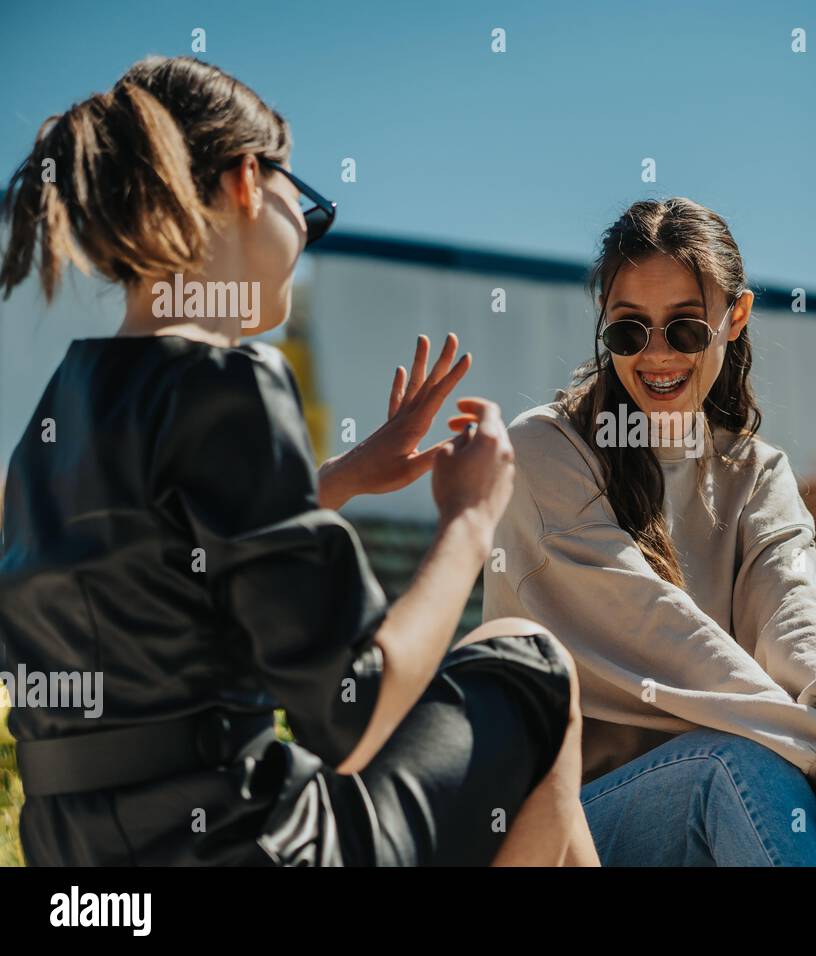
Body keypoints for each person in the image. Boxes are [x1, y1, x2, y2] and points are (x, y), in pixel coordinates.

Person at [0, 56, 598, 866]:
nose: (307, 231)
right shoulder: (227, 378)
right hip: (258, 849)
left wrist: (341, 480)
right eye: (305, 204)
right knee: (533, 662)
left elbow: (164, 580)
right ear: (248, 180)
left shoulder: (52, 420)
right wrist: (469, 516)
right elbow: (355, 711)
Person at [482, 197, 816, 866]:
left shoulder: (753, 472)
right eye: (628, 331)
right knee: (738, 764)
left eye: (685, 329)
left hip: (733, 788)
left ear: (735, 317)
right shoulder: (542, 451)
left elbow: (793, 605)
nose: (656, 355)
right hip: (569, 826)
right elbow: (656, 630)